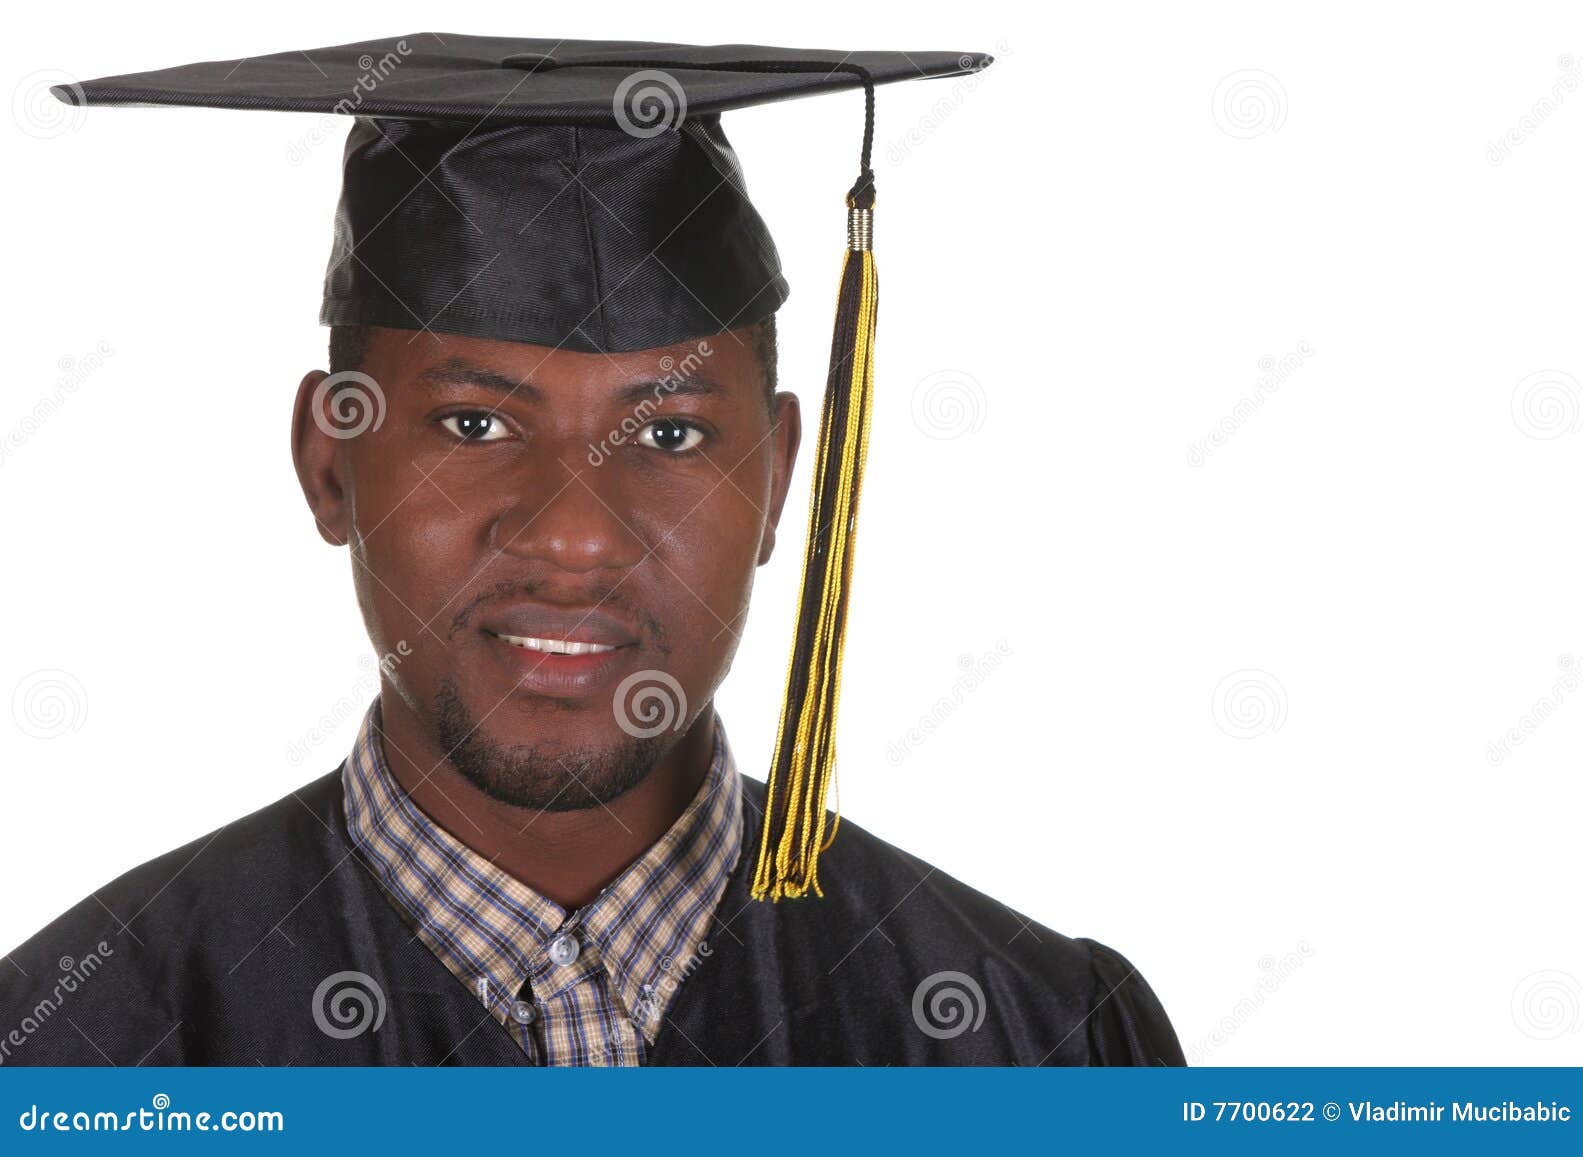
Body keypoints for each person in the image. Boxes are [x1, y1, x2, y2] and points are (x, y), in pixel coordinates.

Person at [1, 35, 1183, 1066]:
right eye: (475, 424)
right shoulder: (77, 1047)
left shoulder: (1038, 1046)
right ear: (330, 461)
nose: (574, 530)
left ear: (776, 478)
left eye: (669, 432)